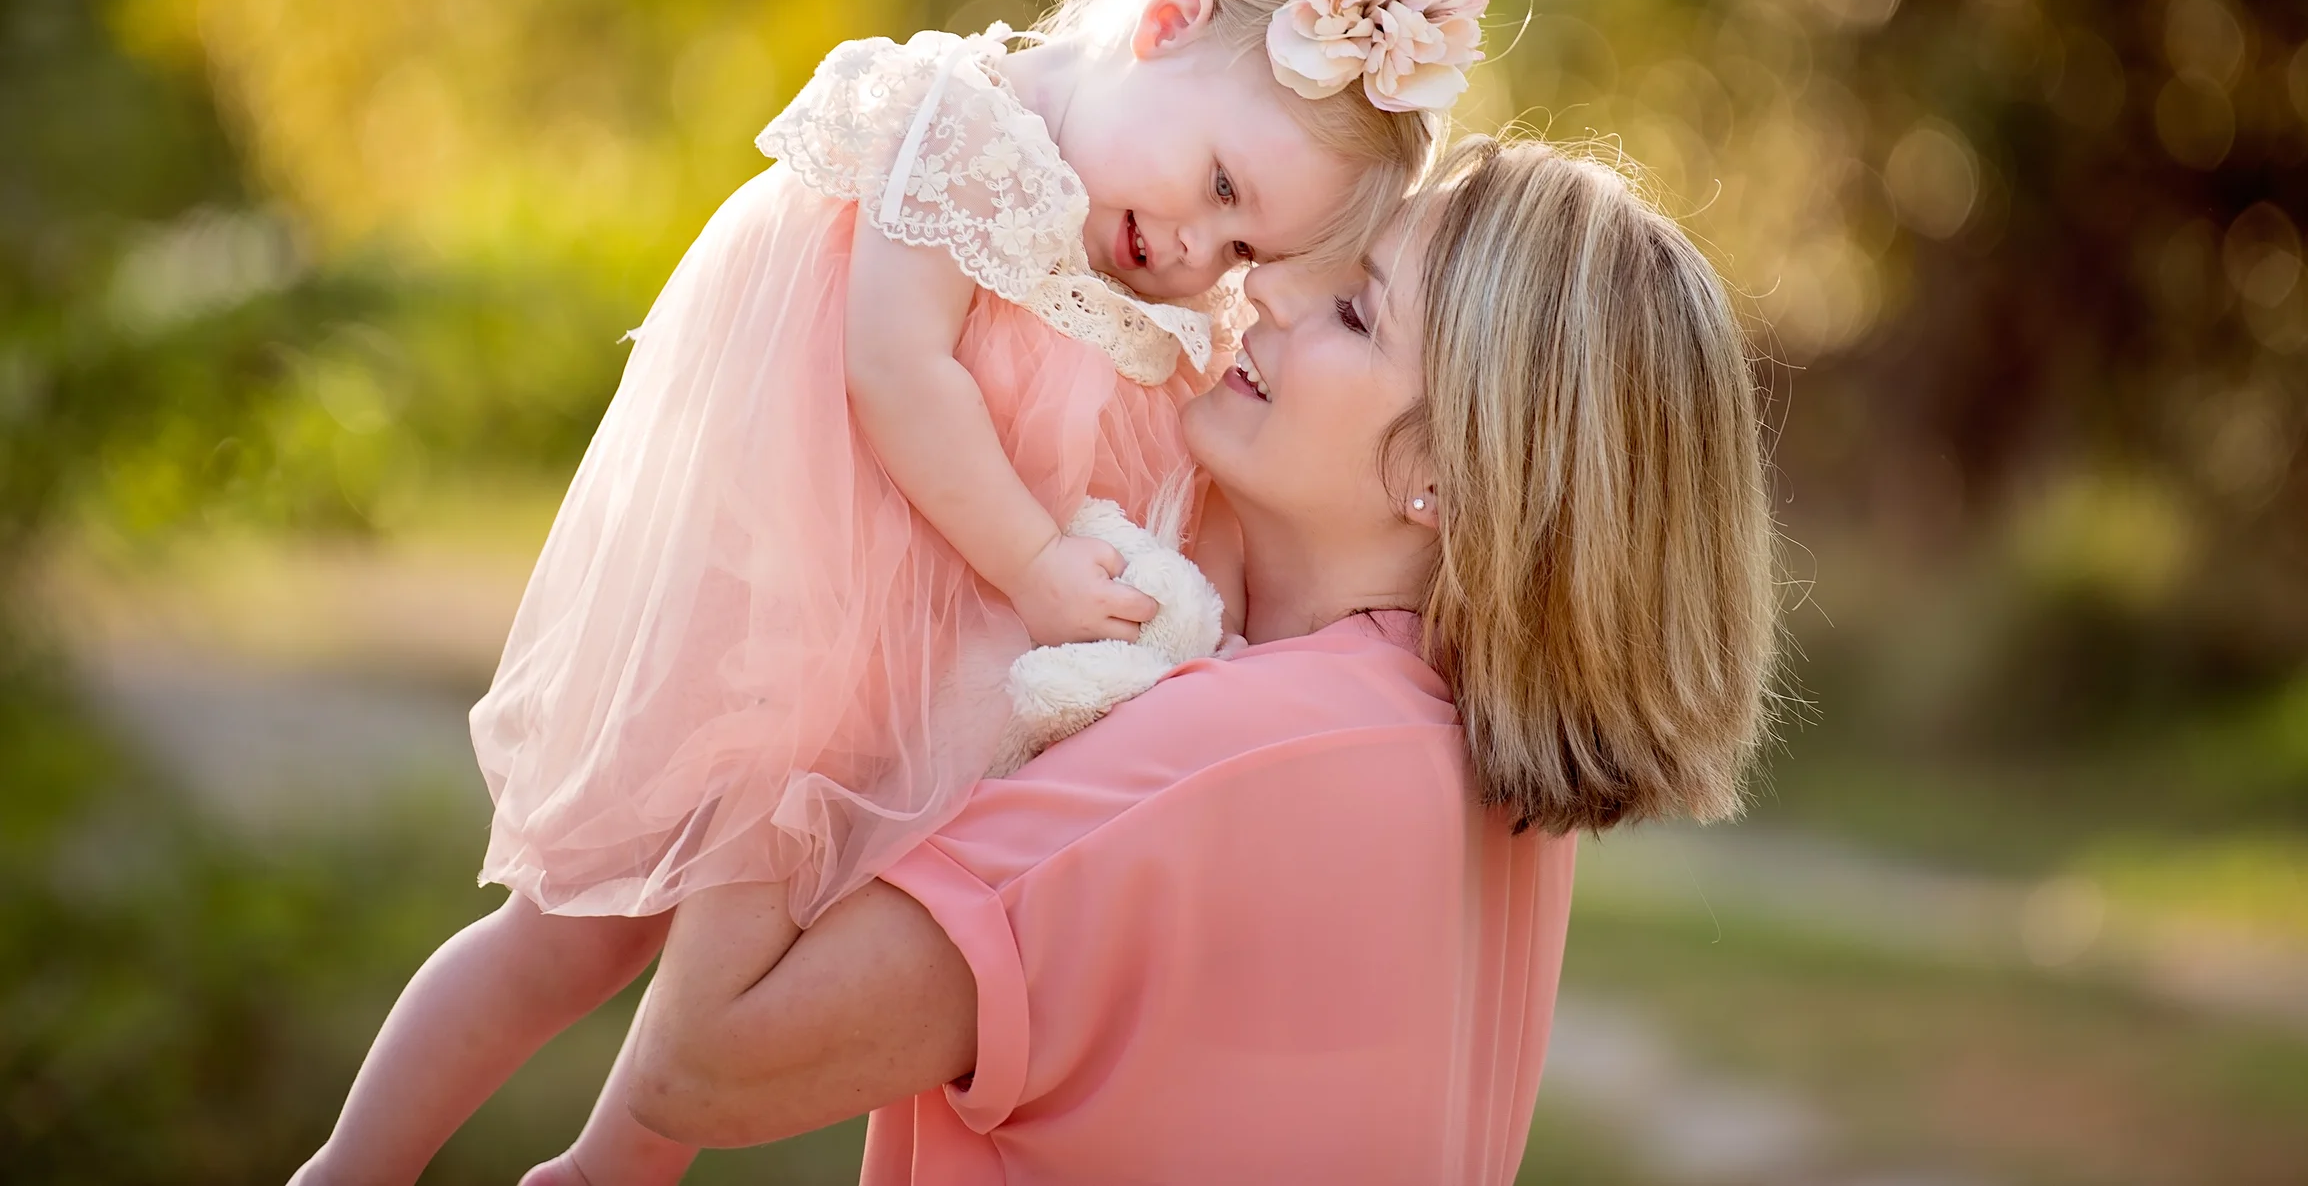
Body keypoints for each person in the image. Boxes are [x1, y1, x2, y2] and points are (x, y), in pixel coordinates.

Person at [288, 0, 1496, 1186]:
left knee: (785, 922)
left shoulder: (1148, 265)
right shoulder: (965, 125)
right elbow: (895, 371)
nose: (1198, 247)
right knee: (578, 932)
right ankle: (352, 1165)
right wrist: (1037, 566)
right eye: (1220, 184)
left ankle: (608, 1169)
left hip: (917, 640)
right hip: (796, 588)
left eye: (1242, 244)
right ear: (1162, 26)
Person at [619, 133, 1783, 1185]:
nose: (1267, 285)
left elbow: (705, 1066)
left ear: (1448, 476)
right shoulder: (1464, 753)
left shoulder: (1217, 756)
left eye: (1354, 313)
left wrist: (811, 588)